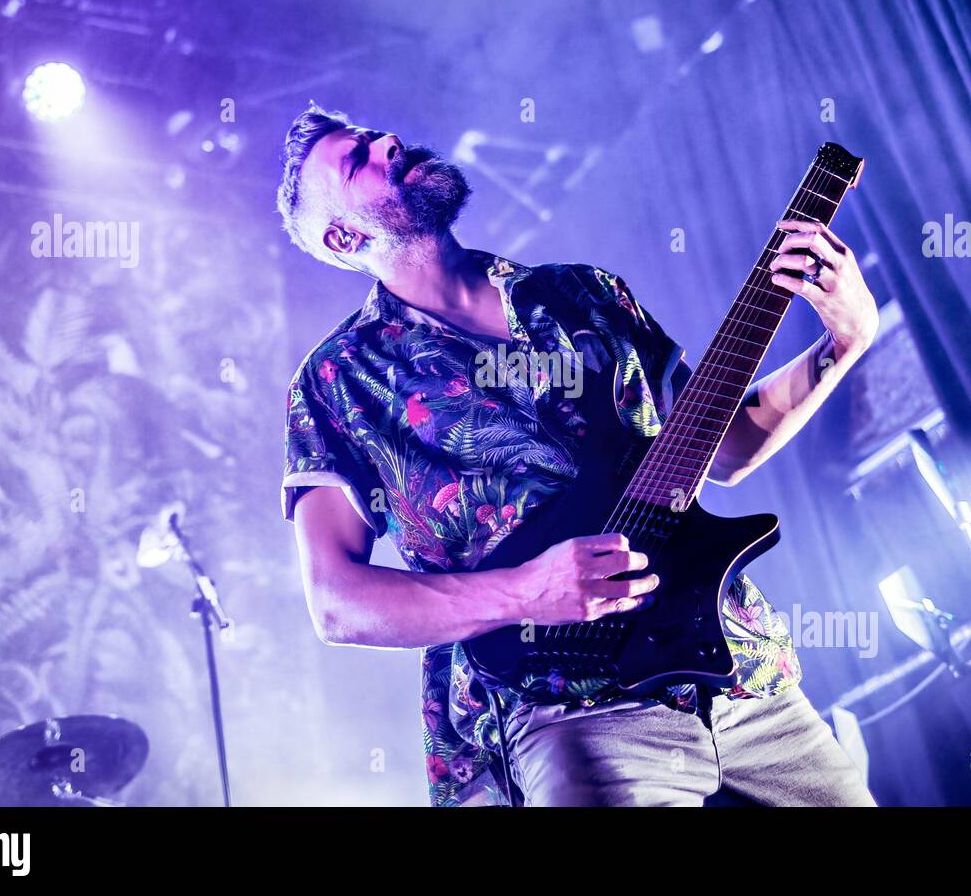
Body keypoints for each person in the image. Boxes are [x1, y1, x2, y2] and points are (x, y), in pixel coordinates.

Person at [277, 102, 879, 806]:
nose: (386, 140)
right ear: (344, 233)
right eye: (357, 160)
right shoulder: (338, 378)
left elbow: (728, 444)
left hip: (740, 669)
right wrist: (527, 591)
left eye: (376, 134)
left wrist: (847, 341)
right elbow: (338, 604)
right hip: (570, 704)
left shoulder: (585, 294)